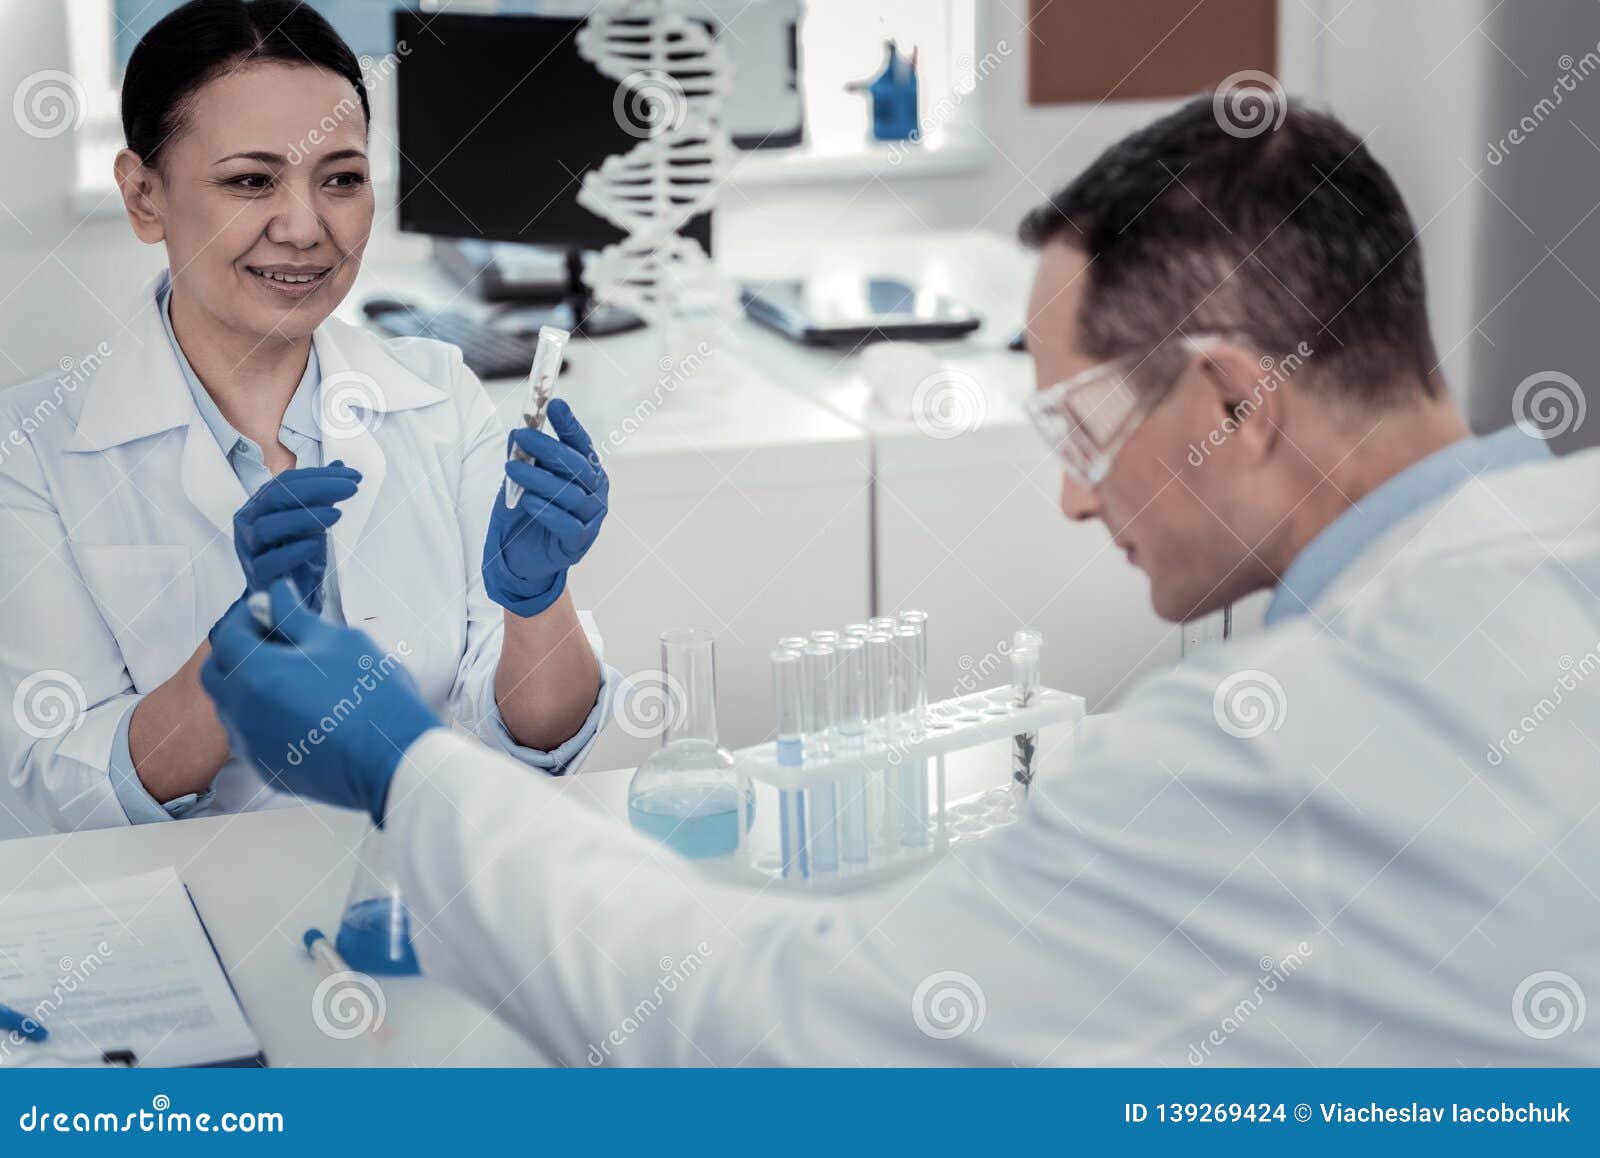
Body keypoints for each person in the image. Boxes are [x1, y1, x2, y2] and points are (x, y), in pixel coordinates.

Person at [202, 97, 1598, 1065]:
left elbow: (775, 1041)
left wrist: (404, 763)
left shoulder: (1265, 755)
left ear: (1237, 400)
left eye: (1085, 430)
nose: (1071, 492)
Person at [0, 0, 616, 833]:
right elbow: (50, 787)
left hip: (420, 904)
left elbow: (534, 742)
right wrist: (238, 658)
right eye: (250, 181)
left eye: (342, 179)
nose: (303, 228)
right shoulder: (32, 452)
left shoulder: (441, 398)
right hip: (184, 910)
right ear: (144, 196)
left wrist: (539, 601)